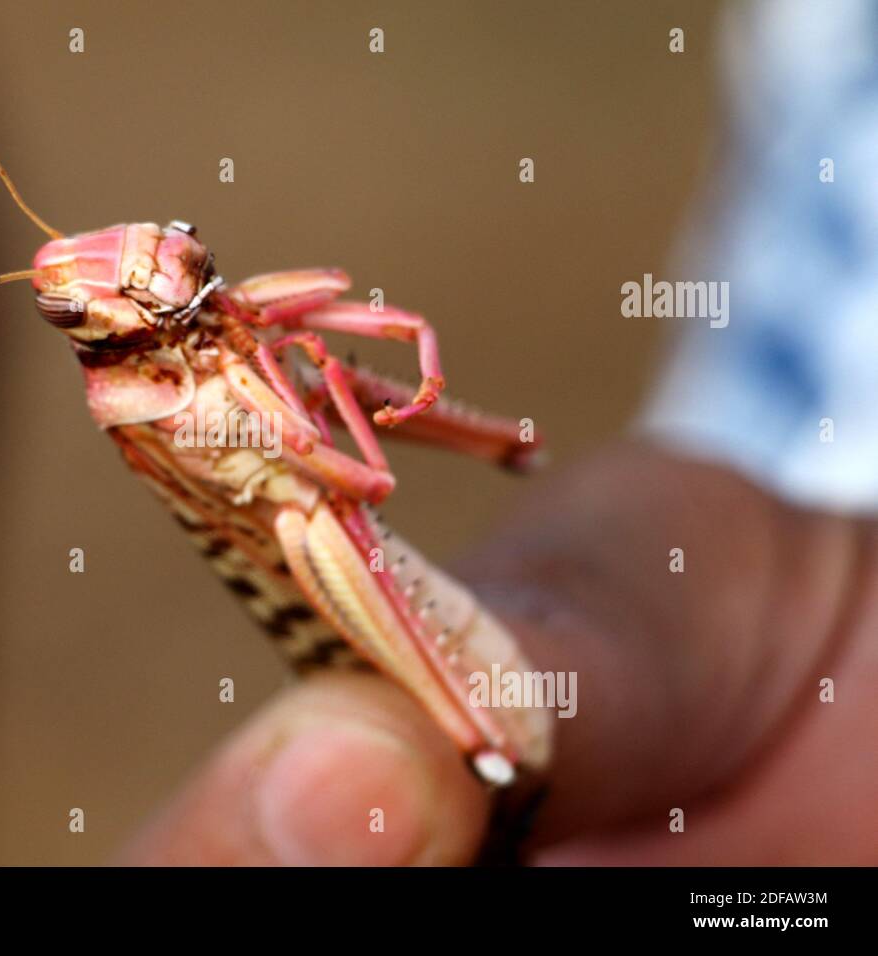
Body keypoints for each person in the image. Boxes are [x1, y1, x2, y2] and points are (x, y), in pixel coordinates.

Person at [120, 1, 878, 866]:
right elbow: (353, 482)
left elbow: (353, 305)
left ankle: (497, 470)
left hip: (768, 482)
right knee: (332, 533)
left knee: (318, 375)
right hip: (308, 530)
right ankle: (477, 738)